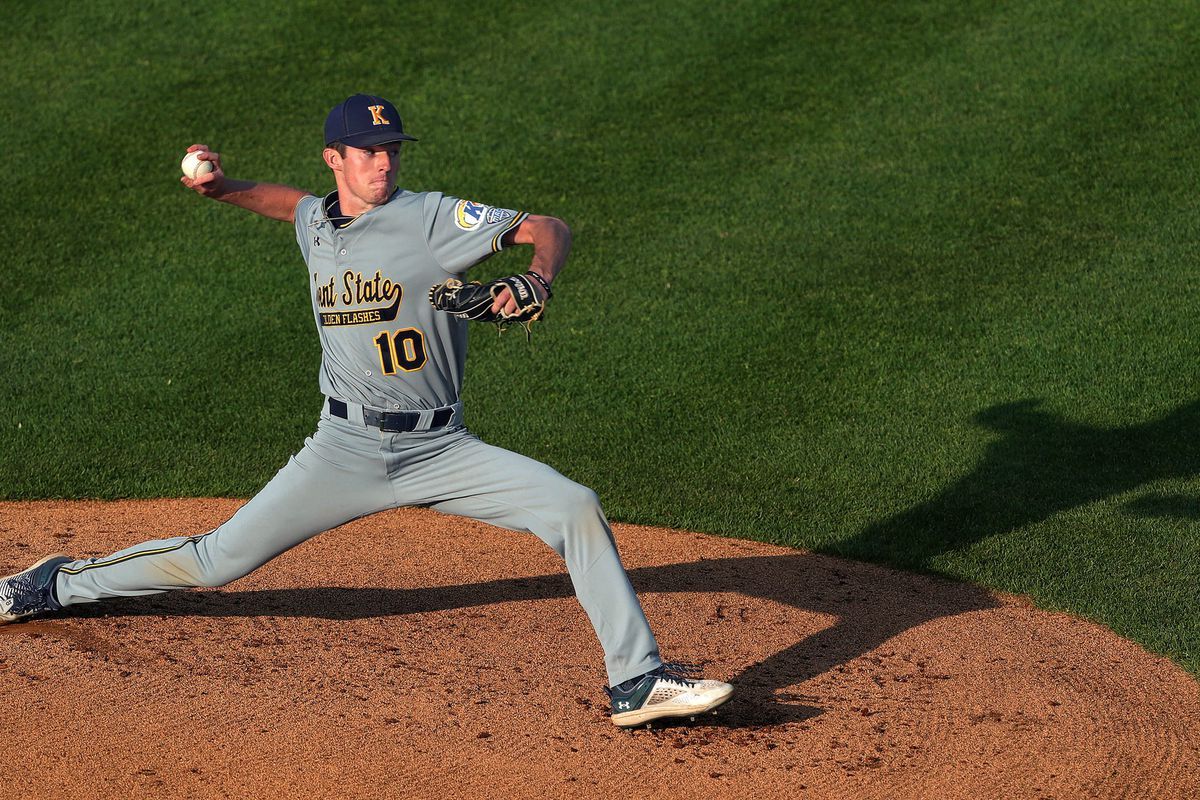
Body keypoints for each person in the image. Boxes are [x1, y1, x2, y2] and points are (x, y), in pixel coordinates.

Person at [0, 93, 732, 728]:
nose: (385, 163)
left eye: (392, 150)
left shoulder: (433, 218)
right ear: (334, 159)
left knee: (574, 506)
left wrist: (538, 276)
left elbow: (547, 223)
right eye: (369, 151)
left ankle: (636, 681)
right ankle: (55, 583)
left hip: (443, 451)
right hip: (341, 450)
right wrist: (223, 188)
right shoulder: (317, 222)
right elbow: (287, 205)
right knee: (216, 561)